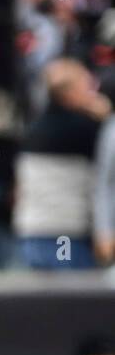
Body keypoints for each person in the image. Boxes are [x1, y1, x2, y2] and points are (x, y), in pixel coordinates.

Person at [13, 58, 111, 269]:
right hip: (63, 234)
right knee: (70, 298)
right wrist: (105, 115)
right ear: (68, 93)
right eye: (86, 86)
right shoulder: (84, 128)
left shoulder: (35, 128)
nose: (92, 93)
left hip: (31, 231)